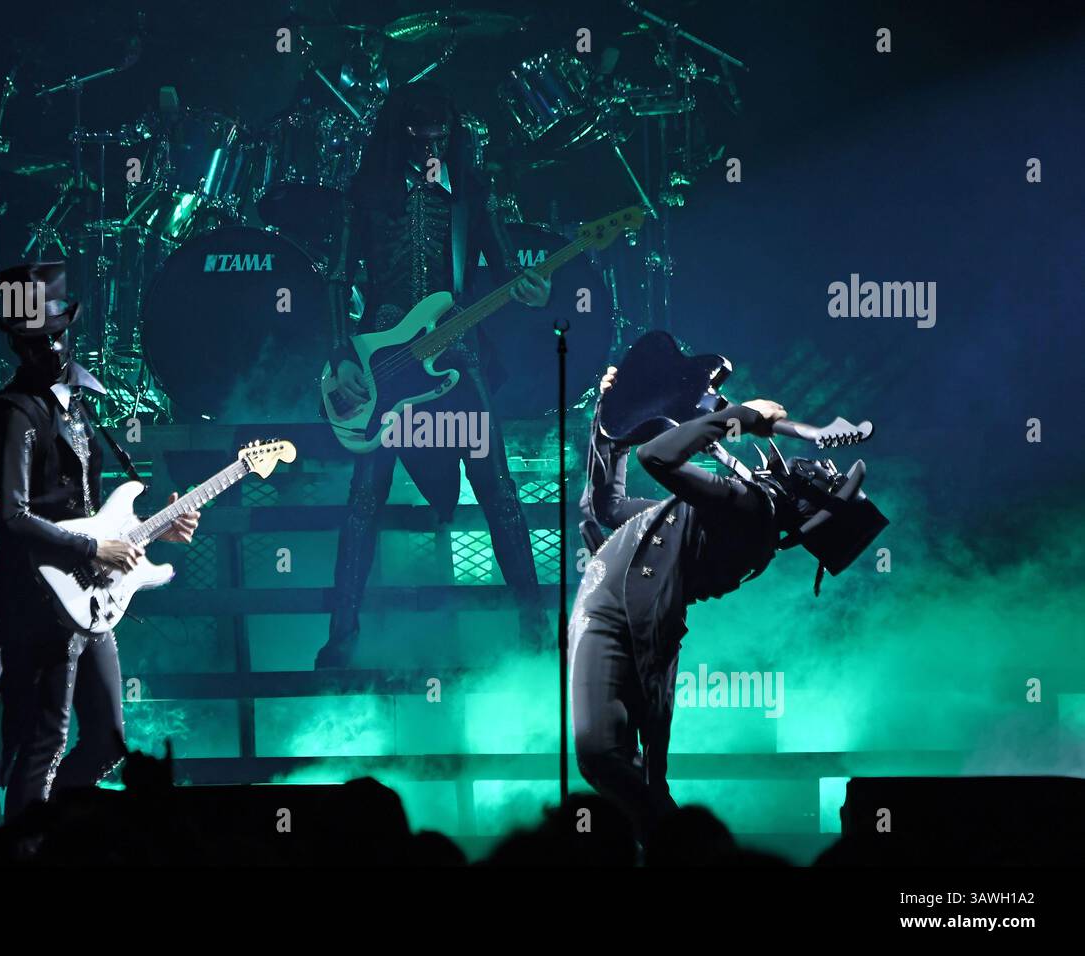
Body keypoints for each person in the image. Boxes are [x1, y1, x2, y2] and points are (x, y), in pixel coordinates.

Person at [570, 364, 888, 841]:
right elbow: (609, 509)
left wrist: (739, 417)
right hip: (615, 605)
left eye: (829, 479)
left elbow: (656, 457)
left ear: (814, 505)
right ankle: (679, 846)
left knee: (605, 756)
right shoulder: (747, 511)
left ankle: (679, 846)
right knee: (613, 761)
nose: (822, 468)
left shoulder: (752, 508)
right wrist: (610, 415)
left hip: (615, 612)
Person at [315, 82, 552, 668]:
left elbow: (505, 268)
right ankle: (341, 635)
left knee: (496, 485)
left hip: (455, 356)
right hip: (381, 362)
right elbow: (337, 277)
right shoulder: (365, 193)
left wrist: (531, 289)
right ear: (401, 136)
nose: (431, 148)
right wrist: (343, 353)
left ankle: (535, 621)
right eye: (421, 136)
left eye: (441, 136)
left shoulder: (471, 191)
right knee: (364, 497)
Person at [0, 261, 200, 820]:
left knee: (107, 742)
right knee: (42, 743)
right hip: (40, 599)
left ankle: (58, 835)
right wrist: (92, 550)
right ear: (17, 346)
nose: (51, 348)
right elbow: (12, 518)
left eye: (57, 335)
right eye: (36, 341)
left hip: (91, 596)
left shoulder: (79, 404)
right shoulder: (15, 414)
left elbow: (91, 511)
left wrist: (154, 529)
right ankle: (27, 850)